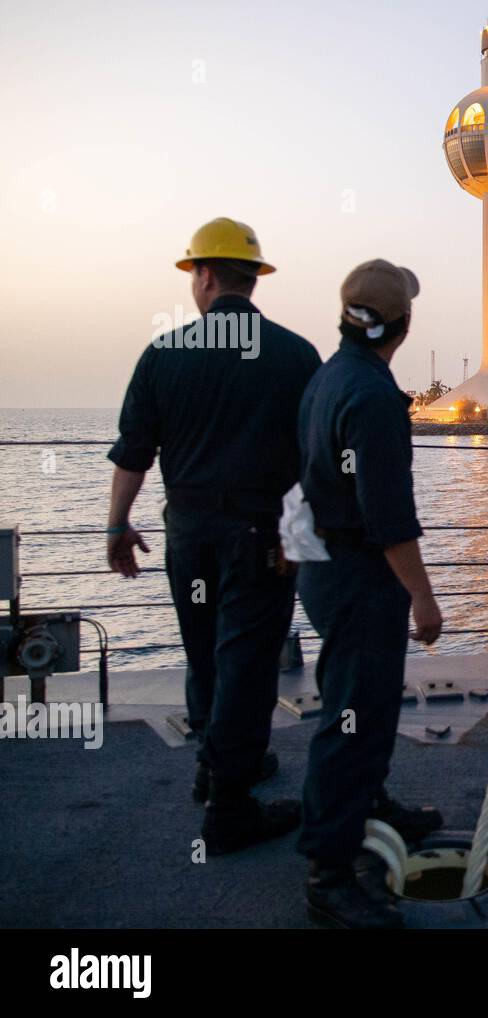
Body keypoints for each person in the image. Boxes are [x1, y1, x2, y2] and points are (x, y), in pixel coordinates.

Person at [106, 217, 320, 851]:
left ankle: (216, 766)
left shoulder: (163, 353)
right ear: (253, 279)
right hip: (262, 534)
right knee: (247, 663)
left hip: (188, 532)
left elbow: (133, 453)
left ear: (201, 276)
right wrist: (297, 541)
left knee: (203, 652)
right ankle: (230, 805)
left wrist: (117, 525)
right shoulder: (295, 354)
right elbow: (312, 463)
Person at [295, 259, 446, 929]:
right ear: (405, 324)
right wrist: (424, 598)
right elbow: (388, 518)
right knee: (353, 714)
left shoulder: (327, 377)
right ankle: (328, 873)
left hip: (322, 564)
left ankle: (372, 803)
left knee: (361, 703)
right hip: (360, 575)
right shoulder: (376, 398)